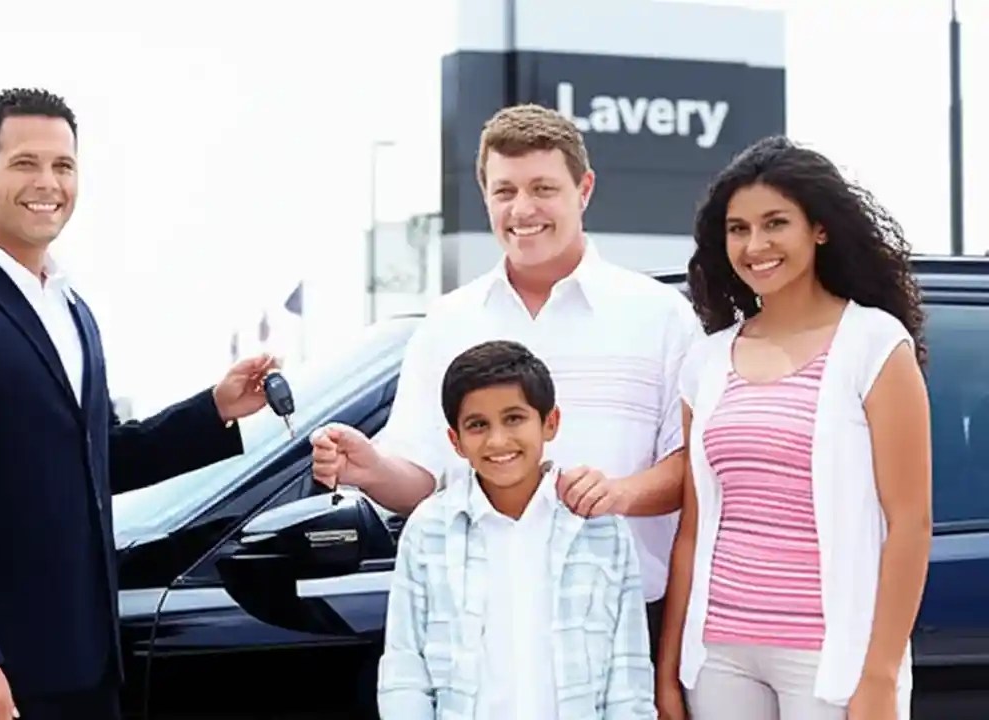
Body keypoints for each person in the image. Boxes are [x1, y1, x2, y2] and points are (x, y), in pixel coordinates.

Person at [0, 88, 276, 720]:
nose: (48, 183)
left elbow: (94, 458)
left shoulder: (70, 306)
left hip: (82, 664)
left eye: (64, 166)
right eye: (26, 163)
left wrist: (214, 409)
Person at [311, 103, 702, 657]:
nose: (523, 209)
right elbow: (421, 477)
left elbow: (695, 465)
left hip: (625, 622)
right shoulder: (448, 322)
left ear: (584, 189)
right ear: (485, 195)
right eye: (504, 191)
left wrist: (620, 494)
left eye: (543, 188)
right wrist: (370, 470)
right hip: (480, 628)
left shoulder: (660, 316)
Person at [655, 136, 932, 720]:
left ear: (820, 229)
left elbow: (910, 522)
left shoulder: (874, 345)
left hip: (829, 660)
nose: (755, 245)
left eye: (775, 223)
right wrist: (670, 670)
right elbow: (693, 528)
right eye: (738, 229)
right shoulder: (705, 362)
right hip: (721, 657)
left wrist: (880, 676)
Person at [377, 339, 656, 719]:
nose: (498, 440)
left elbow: (628, 673)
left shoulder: (598, 526)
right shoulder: (429, 531)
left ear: (550, 422)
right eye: (478, 425)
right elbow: (405, 667)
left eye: (514, 418)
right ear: (455, 441)